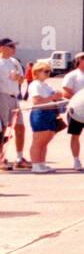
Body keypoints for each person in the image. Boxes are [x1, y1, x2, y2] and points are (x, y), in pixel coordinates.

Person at [60, 52, 84, 171]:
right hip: (76, 110)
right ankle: (76, 160)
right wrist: (79, 98)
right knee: (75, 135)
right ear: (79, 60)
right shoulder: (72, 75)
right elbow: (65, 91)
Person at [26, 60, 62, 173]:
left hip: (50, 112)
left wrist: (57, 97)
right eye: (45, 71)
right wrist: (52, 97)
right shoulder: (35, 85)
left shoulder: (46, 85)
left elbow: (52, 97)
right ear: (36, 72)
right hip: (40, 112)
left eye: (48, 71)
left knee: (46, 139)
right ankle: (35, 165)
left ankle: (42, 163)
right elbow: (37, 101)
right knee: (38, 140)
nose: (48, 74)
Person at [0, 37, 24, 170]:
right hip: (2, 96)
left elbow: (21, 80)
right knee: (3, 128)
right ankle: (1, 157)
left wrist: (18, 78)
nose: (14, 49)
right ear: (2, 48)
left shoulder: (15, 62)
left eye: (14, 47)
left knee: (20, 127)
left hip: (14, 97)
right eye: (11, 46)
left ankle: (19, 157)